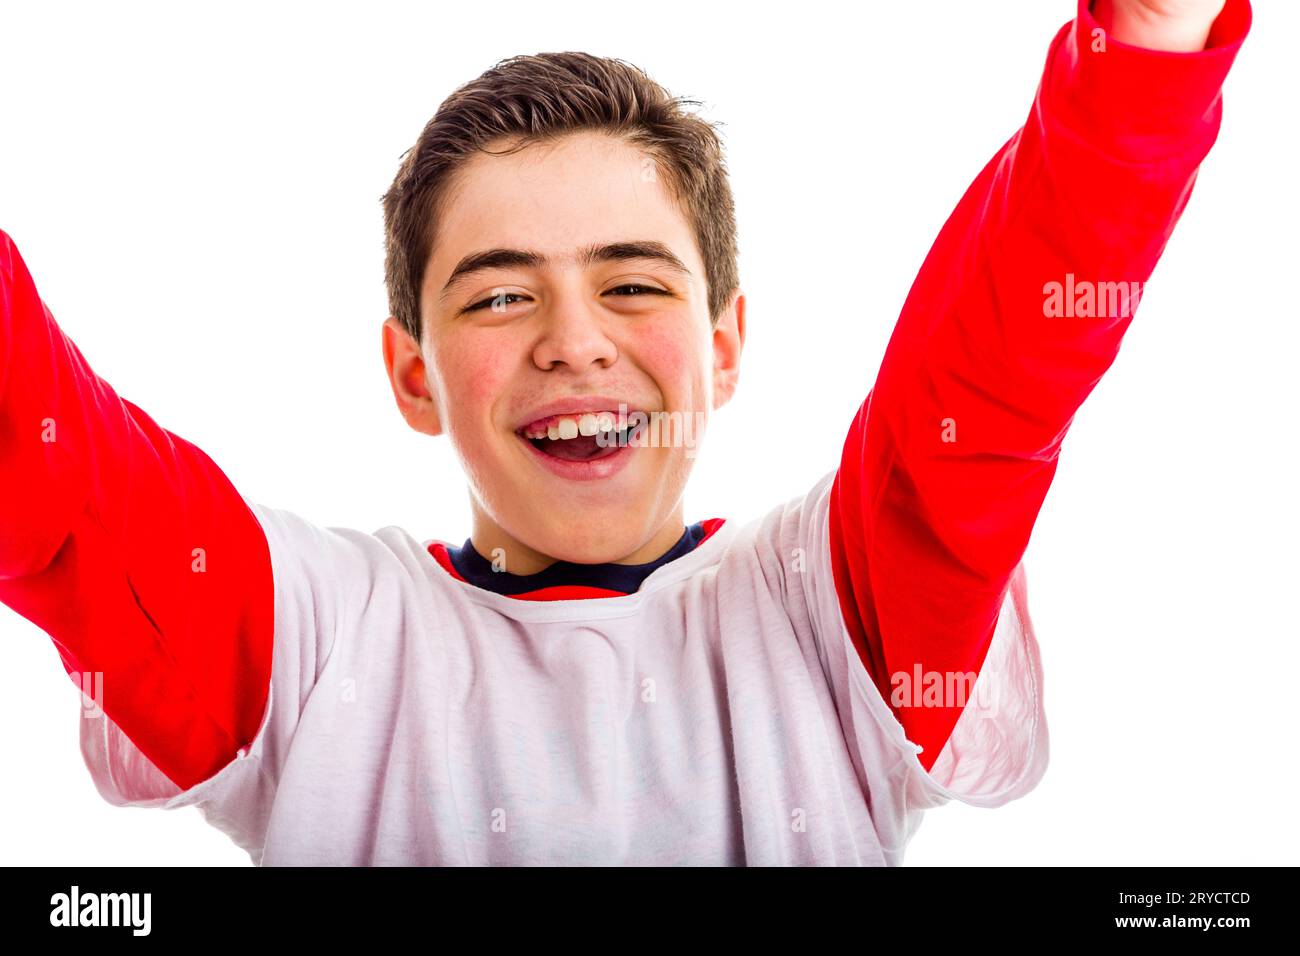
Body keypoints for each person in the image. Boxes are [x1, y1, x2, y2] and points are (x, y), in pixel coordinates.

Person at [0, 0, 1251, 865]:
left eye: (635, 282)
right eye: (498, 292)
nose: (573, 338)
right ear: (413, 374)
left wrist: (1144, 49)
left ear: (723, 343)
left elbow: (987, 394)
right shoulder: (309, 637)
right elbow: (51, 471)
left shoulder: (832, 607)